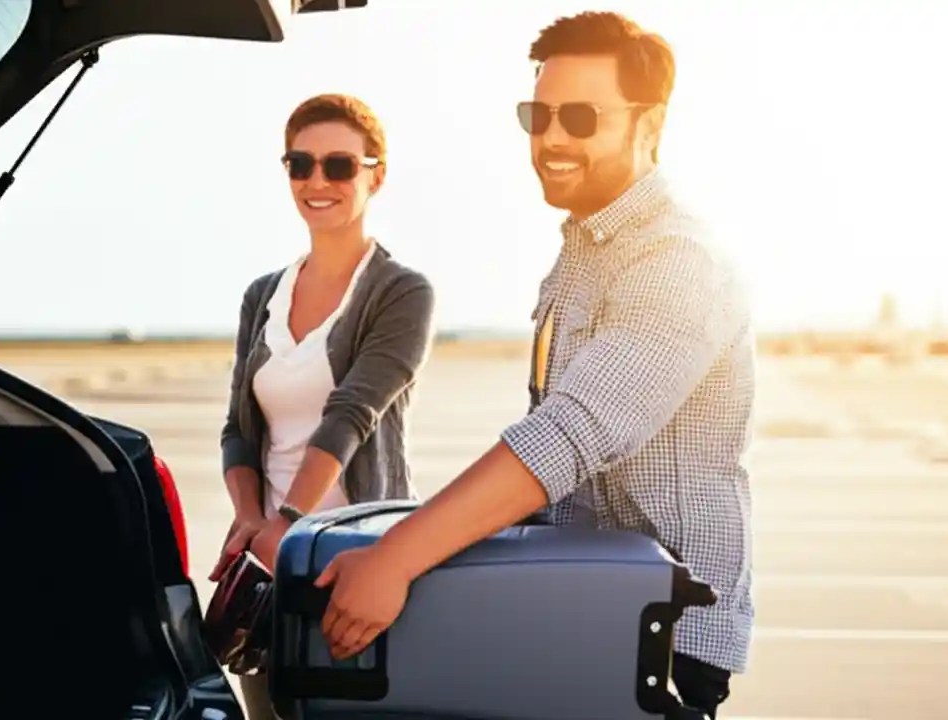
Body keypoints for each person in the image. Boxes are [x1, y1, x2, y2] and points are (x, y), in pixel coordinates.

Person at [310, 11, 755, 719]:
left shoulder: (676, 262)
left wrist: (398, 557)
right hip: (577, 595)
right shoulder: (583, 251)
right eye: (538, 115)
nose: (551, 138)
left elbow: (567, 436)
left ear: (649, 124)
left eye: (580, 117)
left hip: (659, 631)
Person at [211, 93, 434, 719]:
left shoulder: (402, 292)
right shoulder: (262, 295)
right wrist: (251, 521)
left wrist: (288, 520)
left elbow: (352, 417)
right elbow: (238, 427)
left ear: (376, 174)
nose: (317, 181)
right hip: (267, 559)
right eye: (299, 164)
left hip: (353, 556)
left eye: (339, 166)